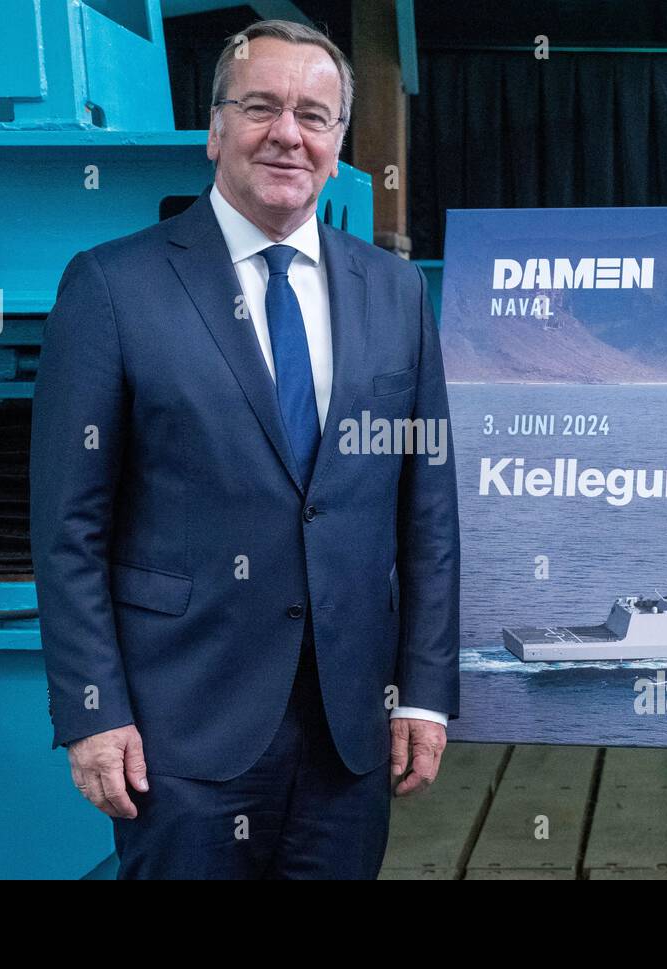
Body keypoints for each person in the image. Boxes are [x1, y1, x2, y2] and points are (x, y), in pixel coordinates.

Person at [29, 18, 460, 879]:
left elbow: (429, 514)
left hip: (350, 730)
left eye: (313, 114)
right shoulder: (113, 285)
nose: (287, 134)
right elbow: (67, 523)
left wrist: (424, 693)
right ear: (215, 128)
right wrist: (91, 710)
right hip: (176, 729)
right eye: (260, 106)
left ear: (339, 142)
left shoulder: (394, 292)